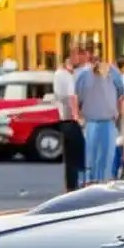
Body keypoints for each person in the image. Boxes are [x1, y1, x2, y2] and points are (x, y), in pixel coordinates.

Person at [74, 54, 124, 185]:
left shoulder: (112, 73)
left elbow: (121, 96)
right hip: (94, 121)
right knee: (95, 155)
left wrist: (119, 114)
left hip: (103, 121)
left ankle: (99, 181)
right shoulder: (85, 75)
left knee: (101, 156)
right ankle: (94, 181)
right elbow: (76, 97)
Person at [53, 49, 86, 190]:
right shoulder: (65, 75)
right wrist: (77, 117)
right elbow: (71, 97)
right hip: (70, 121)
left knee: (69, 159)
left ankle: (71, 186)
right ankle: (74, 186)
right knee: (75, 157)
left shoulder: (59, 73)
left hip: (64, 120)